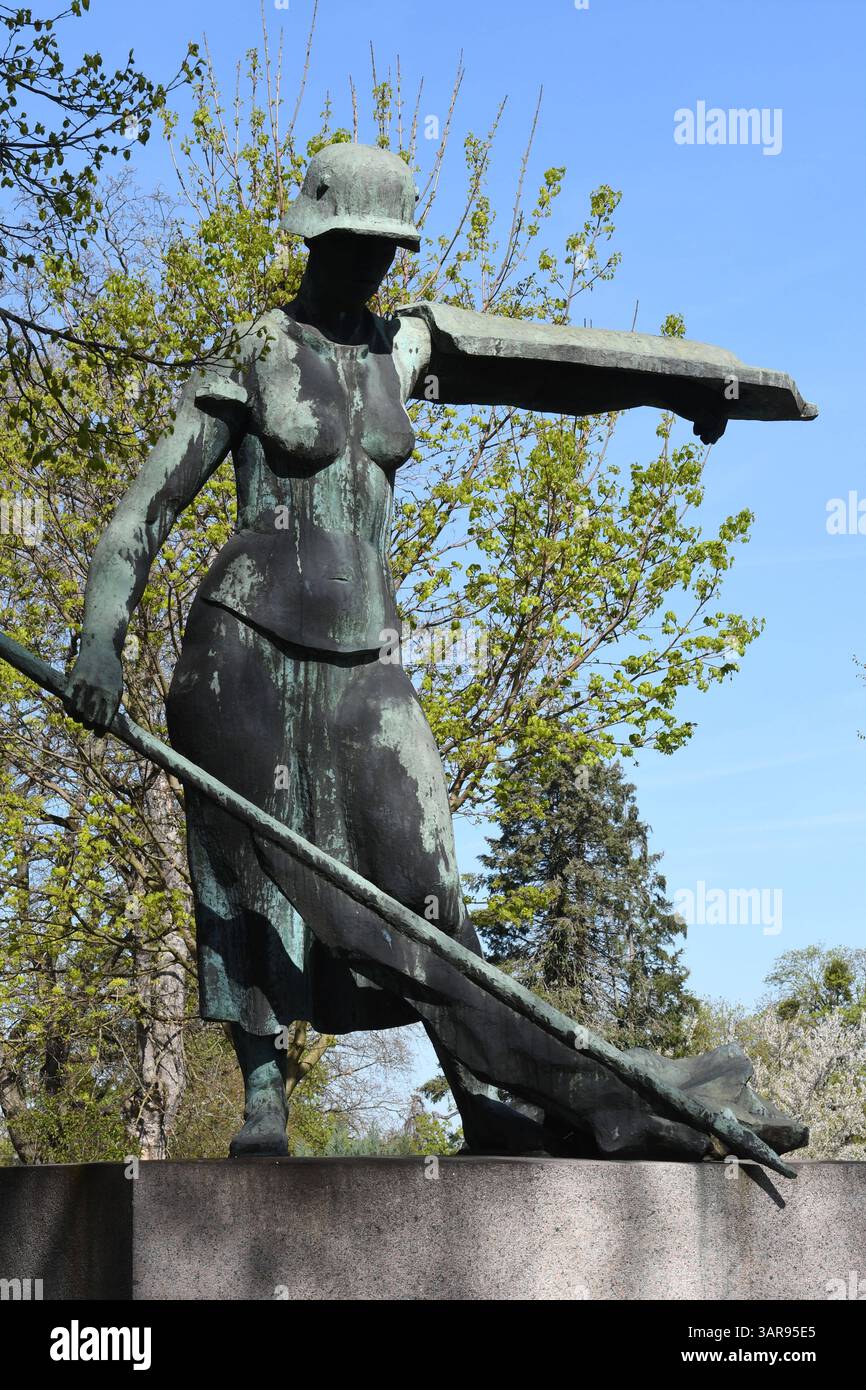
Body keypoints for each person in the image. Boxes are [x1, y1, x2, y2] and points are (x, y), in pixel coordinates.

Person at [64, 143, 812, 1158]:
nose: (372, 267)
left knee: (423, 884)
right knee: (257, 869)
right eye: (355, 247)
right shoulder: (253, 353)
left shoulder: (400, 349)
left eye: (386, 250)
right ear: (314, 238)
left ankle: (484, 1096)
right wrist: (98, 641)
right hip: (241, 647)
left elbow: (544, 367)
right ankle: (265, 1094)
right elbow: (141, 512)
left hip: (363, 652)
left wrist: (678, 388)